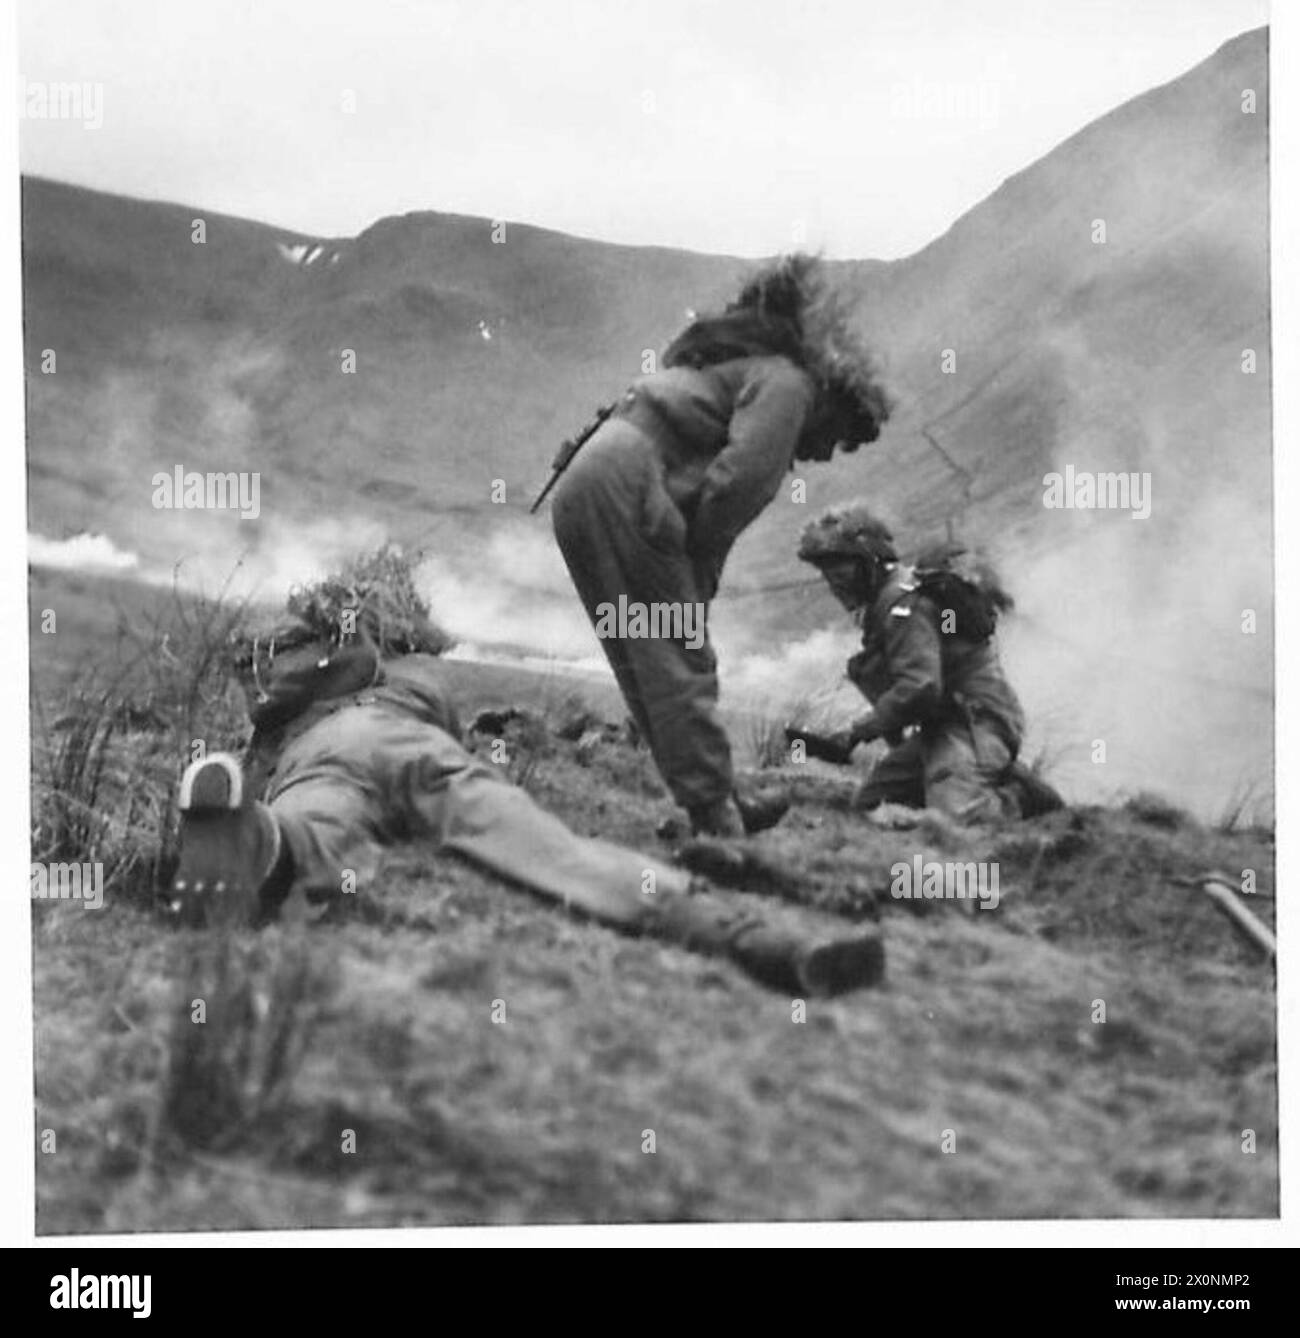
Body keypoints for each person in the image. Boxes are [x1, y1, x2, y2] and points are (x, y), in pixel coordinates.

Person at [166, 607, 884, 996]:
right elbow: (445, 721)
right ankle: (759, 940)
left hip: (318, 760)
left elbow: (276, 745)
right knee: (550, 851)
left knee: (314, 823)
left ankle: (261, 843)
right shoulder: (411, 681)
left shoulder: (284, 718)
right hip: (416, 749)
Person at [549, 254, 891, 839]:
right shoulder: (790, 383)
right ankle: (717, 817)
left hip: (582, 484)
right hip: (629, 481)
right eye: (840, 437)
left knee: (642, 652)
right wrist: (693, 572)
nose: (829, 454)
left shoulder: (728, 363)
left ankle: (711, 797)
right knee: (678, 652)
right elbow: (738, 484)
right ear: (835, 397)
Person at [791, 504, 1062, 825]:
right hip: (943, 727)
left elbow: (921, 687)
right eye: (827, 574)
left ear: (869, 562)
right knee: (872, 806)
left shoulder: (902, 604)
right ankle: (991, 776)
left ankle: (1018, 799)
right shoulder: (889, 601)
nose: (835, 584)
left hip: (974, 720)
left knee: (959, 819)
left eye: (840, 571)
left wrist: (854, 733)